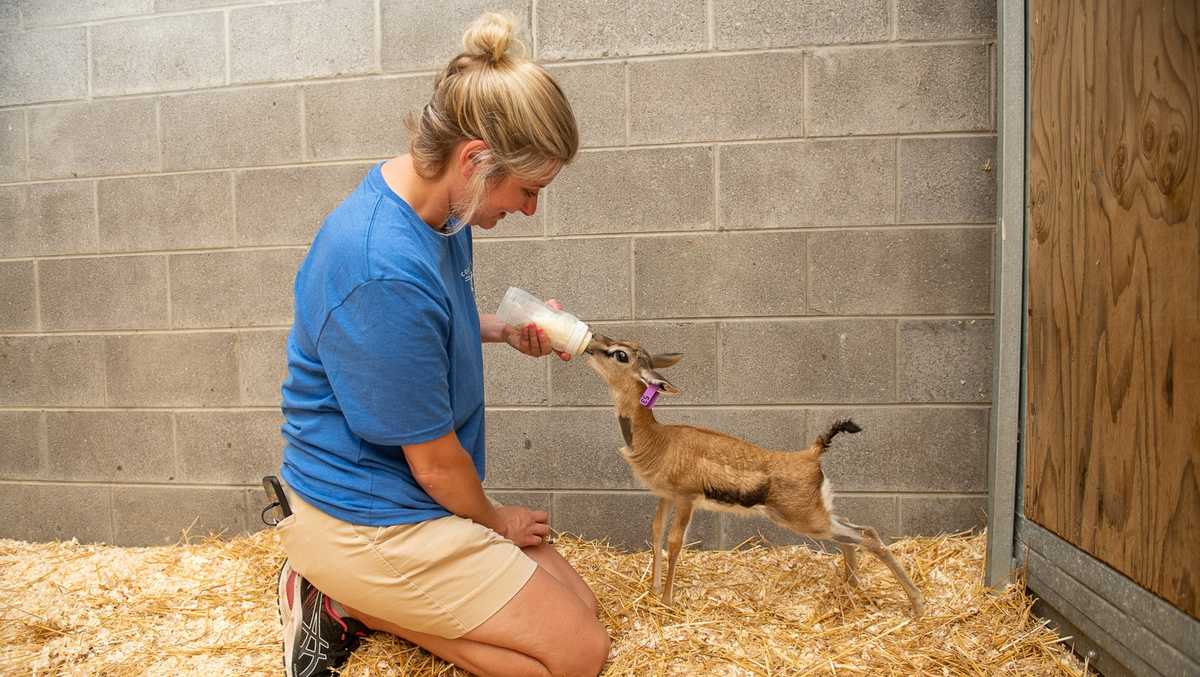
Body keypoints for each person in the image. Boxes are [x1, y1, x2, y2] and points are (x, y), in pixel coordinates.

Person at [271, 13, 610, 677]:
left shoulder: (441, 212)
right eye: (529, 189)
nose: (531, 209)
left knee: (584, 608)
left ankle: (364, 598)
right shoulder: (379, 264)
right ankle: (341, 595)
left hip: (410, 498)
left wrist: (502, 330)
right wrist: (496, 519)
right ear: (476, 158)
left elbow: (418, 333)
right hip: (368, 517)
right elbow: (434, 462)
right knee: (576, 656)